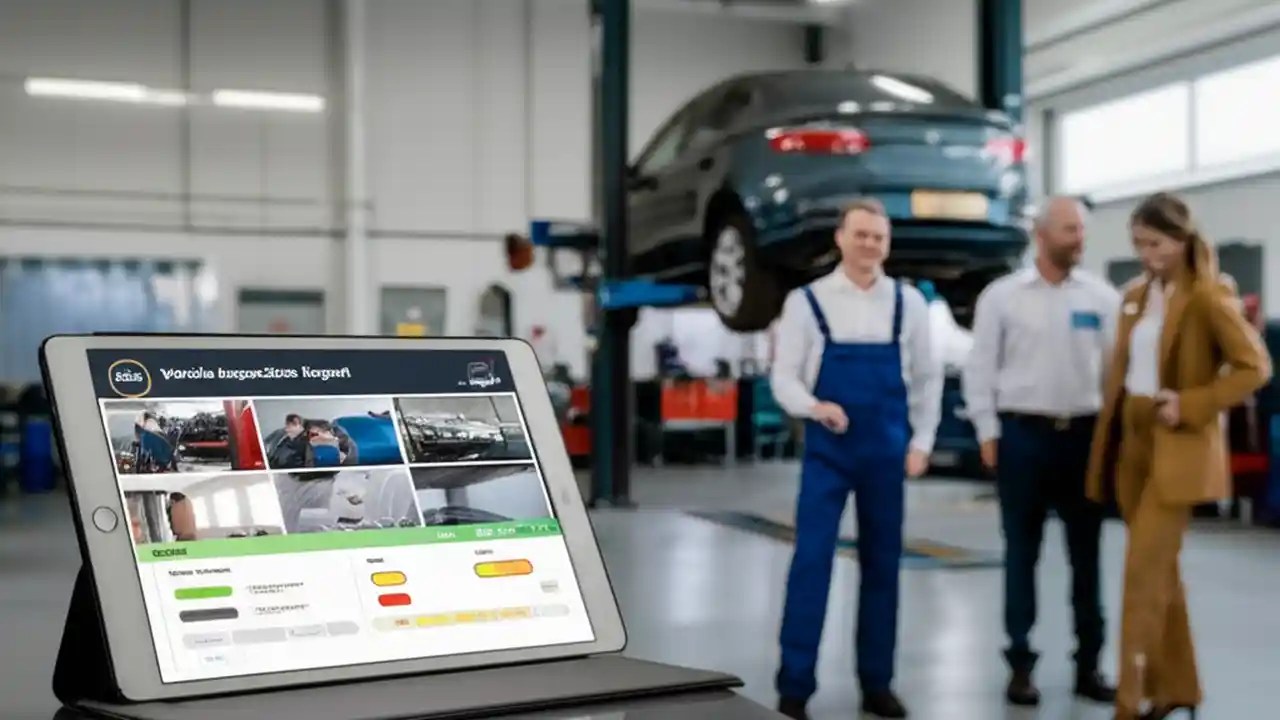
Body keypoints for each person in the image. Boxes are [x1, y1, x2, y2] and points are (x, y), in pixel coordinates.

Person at [1084, 192, 1270, 720]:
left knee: (1141, 574)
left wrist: (1190, 403)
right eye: (1139, 244)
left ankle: (1128, 701)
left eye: (1156, 243)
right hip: (1132, 442)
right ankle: (1179, 690)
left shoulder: (1211, 296)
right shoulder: (1137, 296)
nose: (1146, 255)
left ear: (1183, 239)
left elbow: (1254, 368)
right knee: (1162, 574)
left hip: (1178, 445)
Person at [770, 197, 943, 720]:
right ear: (841, 238)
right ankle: (794, 689)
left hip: (886, 452)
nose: (870, 244)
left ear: (887, 244)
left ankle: (877, 683)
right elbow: (783, 376)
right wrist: (812, 406)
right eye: (861, 234)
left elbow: (929, 376)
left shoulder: (907, 303)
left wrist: (922, 443)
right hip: (828, 452)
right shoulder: (807, 301)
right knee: (811, 562)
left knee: (883, 567)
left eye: (878, 237)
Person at [961, 195, 1120, 706]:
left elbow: (1116, 374)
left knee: (1087, 557)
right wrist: (988, 433)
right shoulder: (1002, 298)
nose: (1081, 238)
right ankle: (1021, 665)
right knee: (1021, 556)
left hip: (1085, 438)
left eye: (1083, 230)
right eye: (1071, 229)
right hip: (1022, 437)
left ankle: (1089, 666)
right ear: (1042, 234)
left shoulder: (1100, 298)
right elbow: (980, 369)